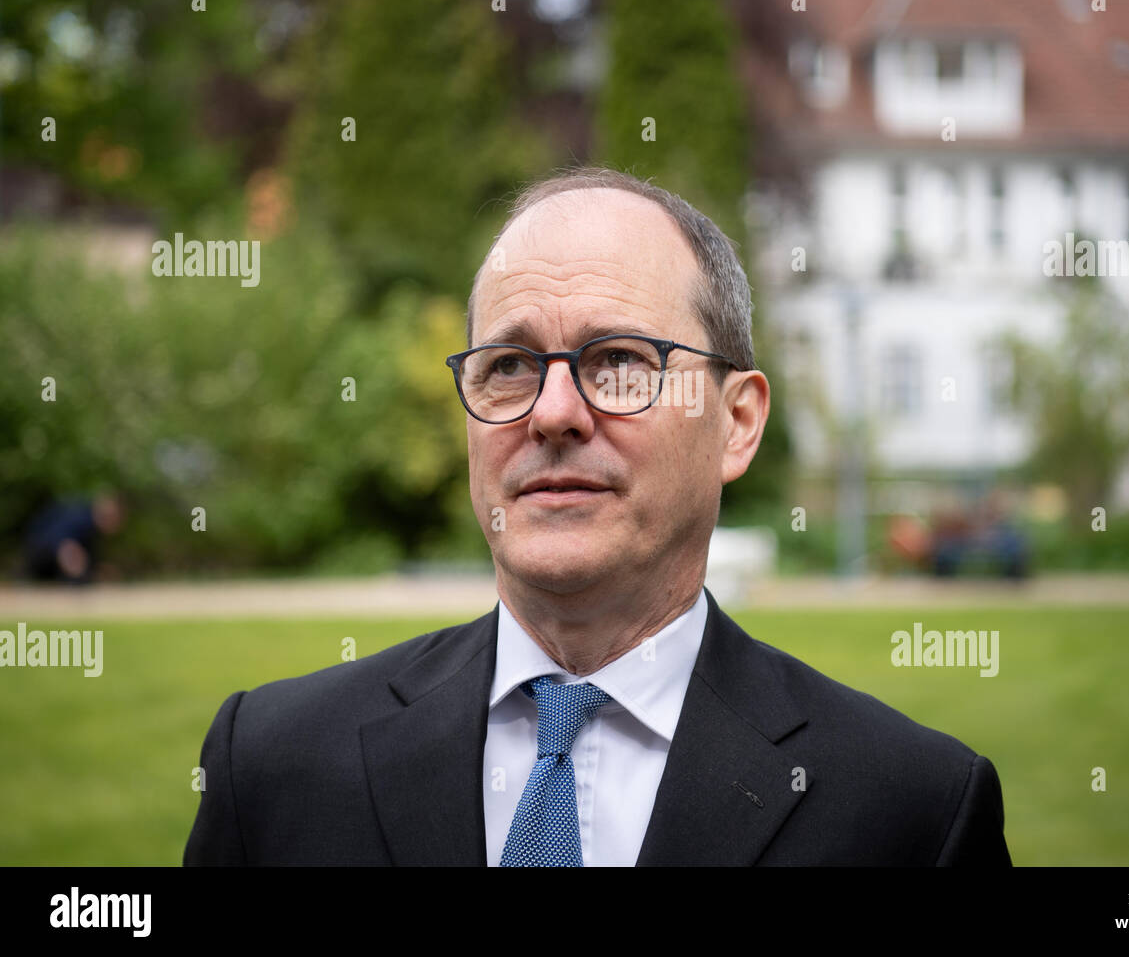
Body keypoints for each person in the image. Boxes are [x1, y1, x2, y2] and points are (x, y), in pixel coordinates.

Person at [184, 166, 1012, 866]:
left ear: (738, 422)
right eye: (508, 364)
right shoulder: (270, 763)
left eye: (616, 361)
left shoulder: (913, 813)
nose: (552, 413)